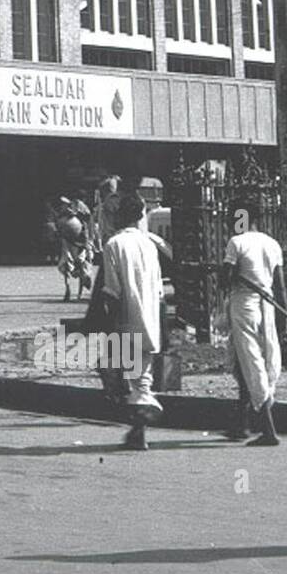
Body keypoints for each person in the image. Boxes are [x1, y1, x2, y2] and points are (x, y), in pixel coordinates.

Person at [97, 190, 164, 451]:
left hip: (125, 319)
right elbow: (159, 290)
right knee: (141, 377)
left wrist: (108, 328)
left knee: (124, 377)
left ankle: (141, 421)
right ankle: (139, 431)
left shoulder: (113, 245)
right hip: (150, 319)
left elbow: (111, 291)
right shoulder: (150, 244)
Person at [221, 199, 287, 446]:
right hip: (268, 307)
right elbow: (280, 286)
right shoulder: (272, 244)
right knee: (253, 361)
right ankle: (241, 423)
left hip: (245, 306)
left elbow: (226, 280)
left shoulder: (236, 242)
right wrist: (285, 325)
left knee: (251, 362)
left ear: (242, 218)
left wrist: (224, 271)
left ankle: (268, 429)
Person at [51, 195, 93, 302]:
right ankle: (68, 290)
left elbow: (87, 222)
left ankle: (79, 293)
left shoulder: (80, 208)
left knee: (81, 265)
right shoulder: (62, 214)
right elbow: (58, 226)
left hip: (80, 242)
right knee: (66, 266)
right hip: (67, 241)